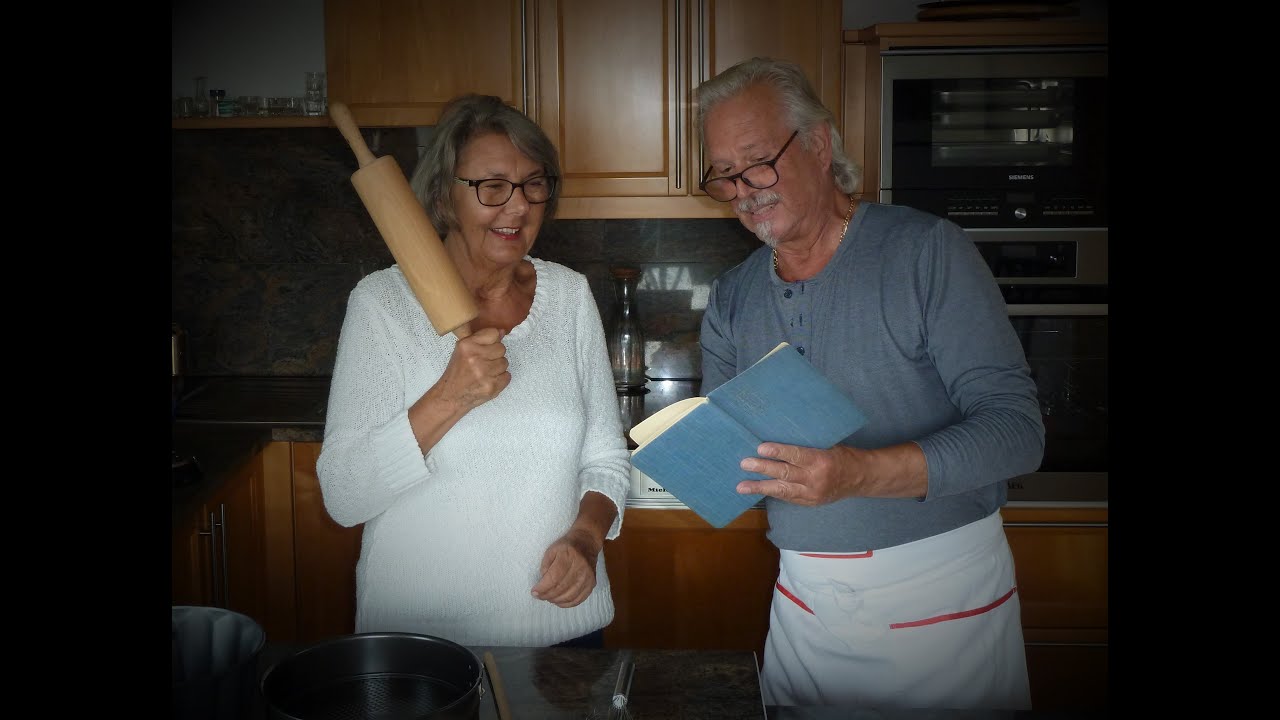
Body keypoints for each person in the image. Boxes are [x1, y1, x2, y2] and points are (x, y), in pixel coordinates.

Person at [694, 58, 1046, 709]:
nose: (744, 188)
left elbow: (1017, 433)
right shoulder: (734, 296)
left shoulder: (926, 253)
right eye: (724, 173)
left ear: (821, 143)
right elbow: (733, 464)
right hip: (802, 603)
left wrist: (857, 473)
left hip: (941, 600)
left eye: (757, 161)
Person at [316, 93, 630, 648]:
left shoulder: (569, 296)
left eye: (534, 183)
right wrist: (450, 396)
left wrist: (586, 538)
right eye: (491, 187)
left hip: (562, 628)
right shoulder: (381, 305)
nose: (518, 207)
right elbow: (344, 496)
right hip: (422, 641)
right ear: (443, 197)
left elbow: (605, 460)